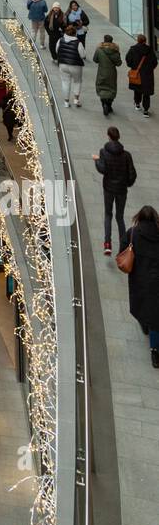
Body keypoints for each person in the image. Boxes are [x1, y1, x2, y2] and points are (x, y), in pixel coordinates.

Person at [94, 126, 137, 256]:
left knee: (108, 215)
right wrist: (126, 184)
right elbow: (132, 174)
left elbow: (102, 169)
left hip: (108, 188)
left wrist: (96, 160)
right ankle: (123, 246)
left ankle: (107, 244)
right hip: (121, 190)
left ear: (108, 136)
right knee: (120, 217)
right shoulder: (126, 155)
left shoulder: (103, 152)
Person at [124, 206, 159, 368]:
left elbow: (123, 251)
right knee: (155, 317)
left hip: (139, 279)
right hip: (156, 280)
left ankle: (146, 328)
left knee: (145, 310)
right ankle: (154, 349)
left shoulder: (133, 232)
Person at [125, 33, 158, 117]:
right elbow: (155, 62)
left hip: (137, 73)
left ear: (138, 40)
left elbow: (128, 59)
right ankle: (146, 110)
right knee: (146, 92)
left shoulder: (133, 49)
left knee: (137, 89)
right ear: (145, 41)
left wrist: (133, 67)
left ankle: (137, 104)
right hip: (147, 75)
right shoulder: (150, 50)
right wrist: (150, 69)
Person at [54, 24, 86, 107]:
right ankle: (76, 99)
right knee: (77, 81)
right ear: (75, 33)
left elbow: (57, 50)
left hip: (63, 64)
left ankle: (66, 102)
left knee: (65, 82)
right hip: (76, 65)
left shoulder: (60, 40)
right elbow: (83, 55)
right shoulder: (78, 43)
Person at [93, 35, 123, 116]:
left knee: (101, 86)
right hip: (112, 73)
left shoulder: (99, 50)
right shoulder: (115, 51)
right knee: (111, 88)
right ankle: (109, 105)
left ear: (104, 40)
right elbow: (119, 63)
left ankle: (104, 104)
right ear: (111, 41)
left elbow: (95, 60)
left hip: (101, 72)